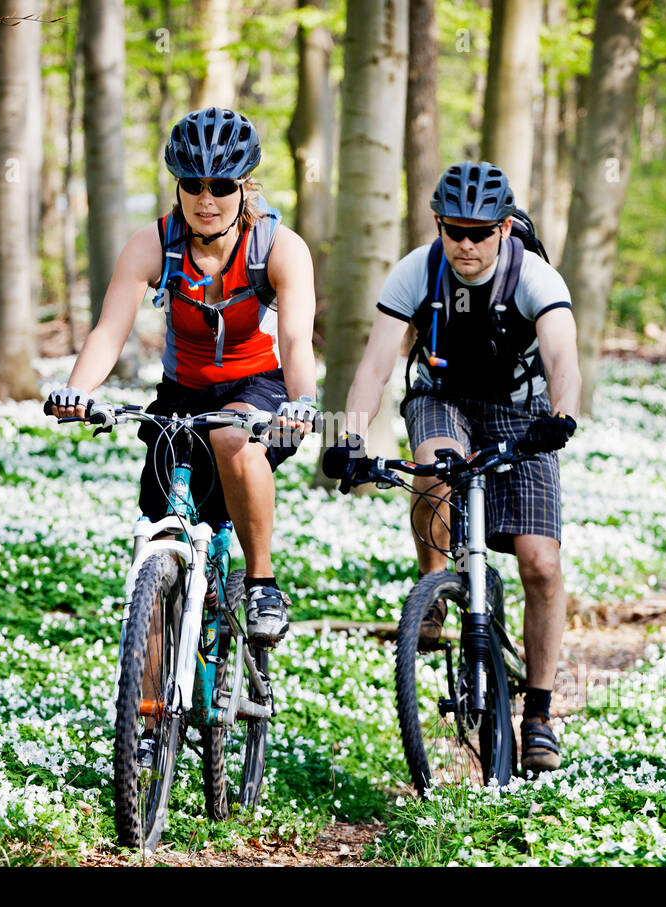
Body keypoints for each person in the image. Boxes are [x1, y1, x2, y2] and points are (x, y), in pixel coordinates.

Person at [323, 161, 581, 771]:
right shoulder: (417, 270)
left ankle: (538, 712)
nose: (466, 244)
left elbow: (562, 352)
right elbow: (374, 367)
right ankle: (435, 591)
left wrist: (561, 415)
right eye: (454, 230)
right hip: (441, 399)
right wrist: (350, 439)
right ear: (438, 224)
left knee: (541, 564)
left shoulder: (533, 275)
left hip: (522, 411)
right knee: (434, 464)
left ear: (503, 229)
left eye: (480, 232)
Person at [48, 107, 318, 645]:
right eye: (192, 185)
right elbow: (109, 330)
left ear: (244, 187)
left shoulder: (278, 248)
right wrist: (78, 390)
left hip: (258, 388)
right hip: (181, 393)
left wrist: (303, 400)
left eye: (220, 185)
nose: (206, 199)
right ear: (178, 187)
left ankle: (262, 582)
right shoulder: (154, 243)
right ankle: (149, 694)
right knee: (155, 529)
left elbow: (295, 341)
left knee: (232, 437)